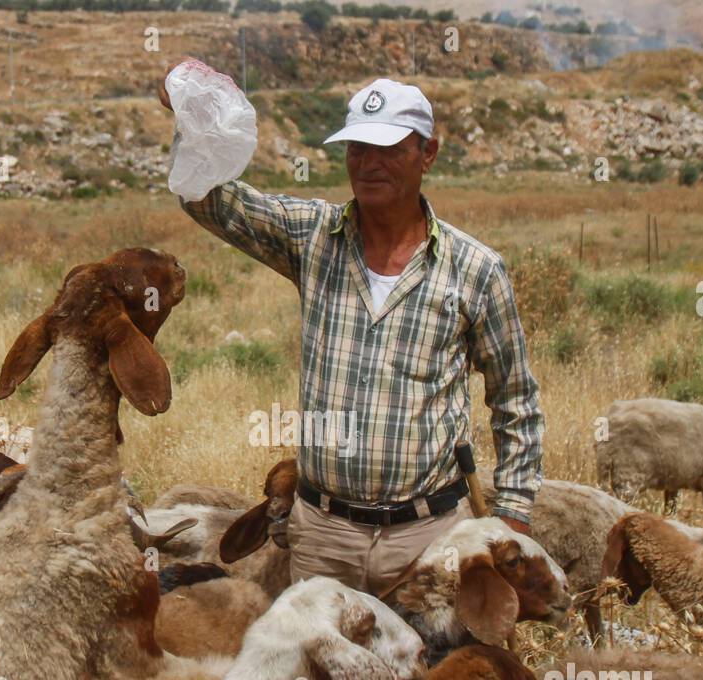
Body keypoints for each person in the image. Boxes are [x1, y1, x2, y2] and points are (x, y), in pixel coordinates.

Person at [160, 70, 543, 595]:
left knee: (431, 675)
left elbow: (516, 398)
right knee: (324, 674)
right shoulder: (313, 238)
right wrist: (193, 106)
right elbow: (208, 201)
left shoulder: (475, 269)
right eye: (357, 148)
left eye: (387, 148)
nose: (368, 163)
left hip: (429, 537)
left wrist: (514, 518)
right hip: (324, 535)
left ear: (427, 153)